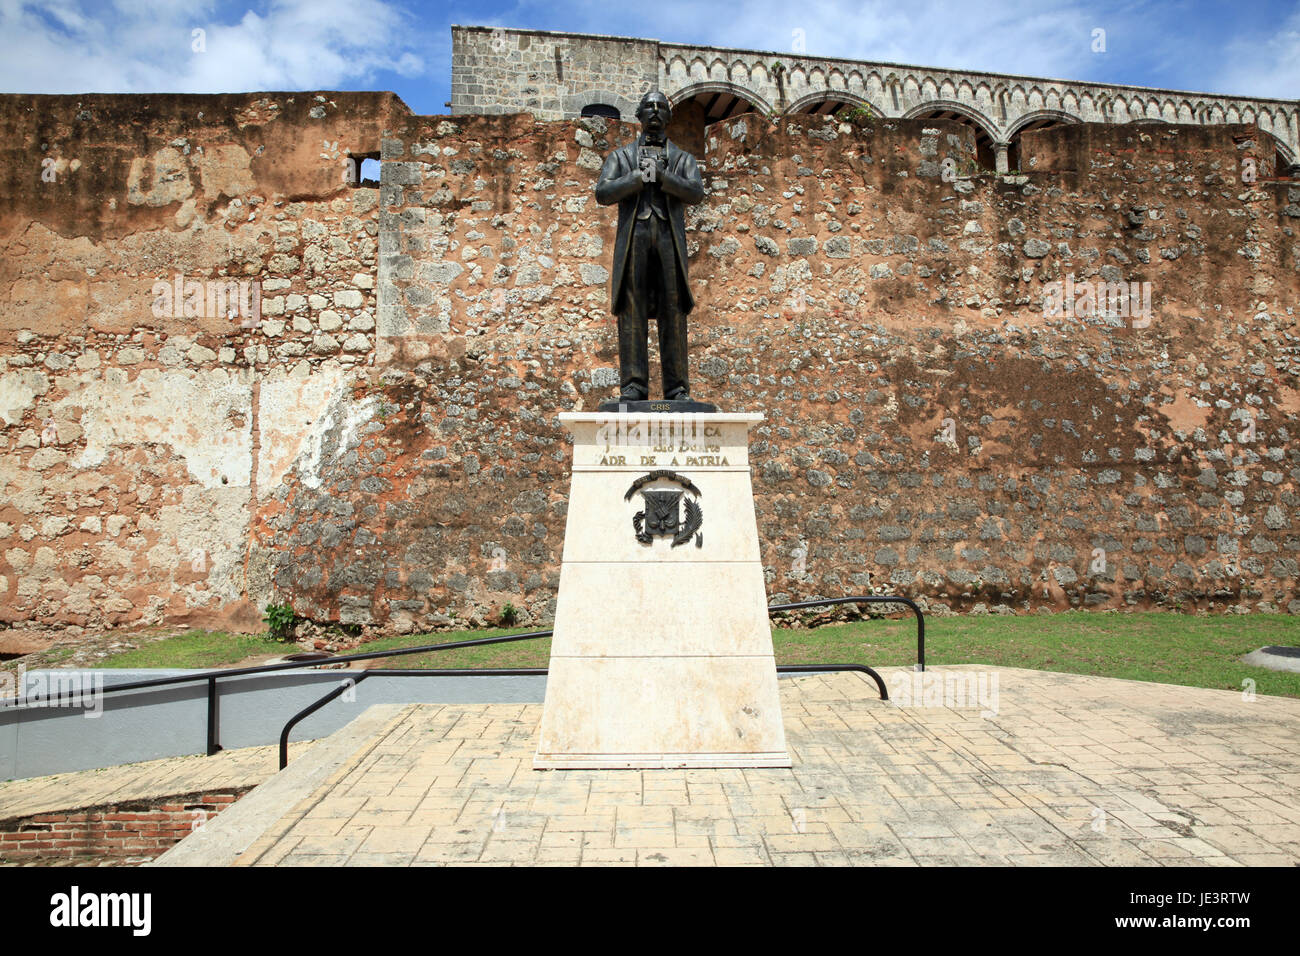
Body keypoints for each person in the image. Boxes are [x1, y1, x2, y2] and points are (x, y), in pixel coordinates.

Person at [594, 90, 705, 403]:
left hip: (669, 239)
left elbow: (696, 192)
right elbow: (603, 192)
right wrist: (638, 178)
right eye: (649, 107)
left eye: (661, 107)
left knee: (674, 308)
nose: (655, 112)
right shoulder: (621, 157)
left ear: (669, 116)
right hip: (635, 238)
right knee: (632, 308)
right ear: (639, 116)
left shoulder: (683, 158)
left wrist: (664, 177)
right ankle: (633, 385)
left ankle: (677, 388)